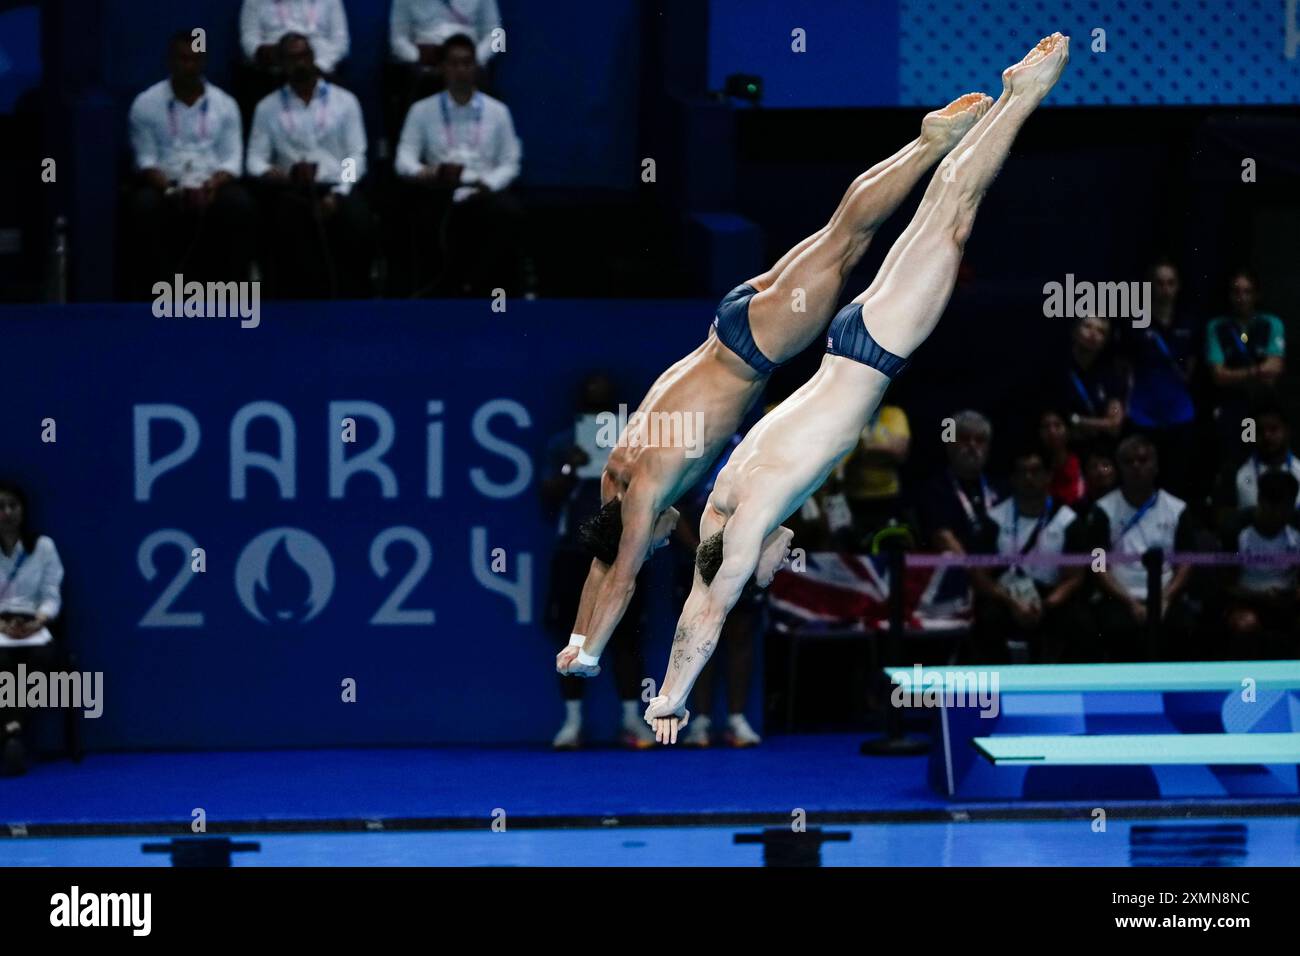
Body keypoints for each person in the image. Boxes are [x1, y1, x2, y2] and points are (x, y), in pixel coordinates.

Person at [643, 34, 1071, 741]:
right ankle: (983, 113)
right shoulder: (724, 495)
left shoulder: (743, 529)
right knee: (927, 210)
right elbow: (718, 583)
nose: (763, 567)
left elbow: (709, 611)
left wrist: (674, 696)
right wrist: (753, 564)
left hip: (873, 354)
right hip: (843, 342)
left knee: (955, 210)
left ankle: (1022, 96)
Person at [555, 90, 994, 682]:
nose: (665, 540)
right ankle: (924, 145)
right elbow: (600, 567)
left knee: (848, 243)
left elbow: (622, 575)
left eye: (656, 541)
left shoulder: (642, 499)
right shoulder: (616, 472)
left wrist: (590, 652)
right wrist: (575, 635)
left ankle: (926, 146)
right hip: (727, 322)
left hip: (755, 348)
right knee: (839, 232)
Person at [539, 375, 658, 749]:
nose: (598, 414)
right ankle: (572, 724)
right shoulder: (562, 445)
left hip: (625, 550)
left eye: (605, 408)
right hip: (575, 553)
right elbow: (547, 498)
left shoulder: (634, 447)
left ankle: (630, 721)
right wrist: (569, 468)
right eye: (592, 408)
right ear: (580, 411)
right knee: (571, 636)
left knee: (626, 637)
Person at [125, 31, 253, 297]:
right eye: (183, 59)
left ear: (203, 61)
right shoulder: (146, 104)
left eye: (195, 59)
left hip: (212, 183)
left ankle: (231, 294)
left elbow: (232, 160)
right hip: (167, 185)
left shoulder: (225, 105)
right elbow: (145, 160)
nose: (189, 66)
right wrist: (173, 189)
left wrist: (213, 184)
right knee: (144, 205)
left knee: (239, 203)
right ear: (170, 61)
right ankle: (159, 294)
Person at [394, 33, 523, 296]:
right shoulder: (422, 110)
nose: (461, 70)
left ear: (476, 67)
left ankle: (483, 291)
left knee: (508, 212)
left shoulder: (498, 111)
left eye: (467, 63)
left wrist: (488, 184)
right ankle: (435, 294)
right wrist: (425, 172)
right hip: (439, 188)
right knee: (418, 214)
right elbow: (403, 158)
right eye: (454, 63)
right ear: (442, 68)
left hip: (482, 190)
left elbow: (511, 161)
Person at [246, 33, 374, 297]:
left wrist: (340, 192)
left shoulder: (345, 101)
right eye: (292, 58)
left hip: (337, 185)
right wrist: (275, 174)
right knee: (286, 219)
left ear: (314, 58)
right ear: (281, 64)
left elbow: (356, 155)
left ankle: (355, 298)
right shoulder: (267, 107)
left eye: (304, 56)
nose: (300, 63)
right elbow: (254, 160)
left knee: (358, 220)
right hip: (291, 187)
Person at [1074, 434, 1199, 662]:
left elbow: (1186, 563)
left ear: (1156, 466)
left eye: (1143, 460)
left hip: (1166, 595)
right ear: (1120, 467)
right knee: (1114, 628)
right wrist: (1130, 603)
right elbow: (1099, 566)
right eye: (1129, 462)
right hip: (1118, 597)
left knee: (1184, 626)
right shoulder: (1102, 510)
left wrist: (1165, 599)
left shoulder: (1177, 509)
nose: (1136, 467)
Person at [974, 443, 1080, 663]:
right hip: (1006, 596)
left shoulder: (1067, 519)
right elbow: (979, 575)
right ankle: (995, 689)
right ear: (1012, 479)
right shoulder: (994, 519)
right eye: (1022, 472)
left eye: (1035, 471)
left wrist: (1047, 603)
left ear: (1049, 476)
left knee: (1081, 622)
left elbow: (1075, 576)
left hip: (1051, 597)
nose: (1029, 478)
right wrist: (1012, 604)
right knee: (987, 620)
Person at [0, 481, 65, 776]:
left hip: (33, 625)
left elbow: (52, 596)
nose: (7, 513)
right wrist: (3, 624)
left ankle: (11, 730)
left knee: (39, 659)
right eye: (0, 507)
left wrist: (36, 622)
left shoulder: (43, 547)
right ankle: (13, 730)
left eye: (13, 506)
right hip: (1, 626)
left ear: (23, 510)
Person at [1124, 259, 1198, 500]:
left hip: (1179, 415)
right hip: (1143, 415)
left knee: (1177, 483)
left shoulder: (1188, 321)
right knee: (1142, 480)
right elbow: (1124, 367)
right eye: (1159, 283)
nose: (1165, 289)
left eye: (1170, 283)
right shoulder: (1135, 321)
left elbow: (1192, 367)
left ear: (1178, 287)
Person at [1222, 470, 1300, 659]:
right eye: (1272, 507)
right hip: (1246, 600)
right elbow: (1226, 585)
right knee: (1245, 624)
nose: (1278, 515)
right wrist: (1261, 596)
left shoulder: (1297, 529)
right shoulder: (1236, 530)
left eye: (1284, 508)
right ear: (1260, 500)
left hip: (1288, 602)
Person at [1205, 269, 1285, 453]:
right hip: (1231, 407)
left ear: (1257, 295)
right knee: (1234, 459)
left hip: (1264, 406)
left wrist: (1235, 374)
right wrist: (1257, 372)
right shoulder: (1217, 326)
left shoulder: (1271, 324)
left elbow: (1274, 370)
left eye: (1247, 292)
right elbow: (1218, 375)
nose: (1242, 297)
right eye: (1236, 292)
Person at [237, 0, 350, 123]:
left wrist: (316, 67)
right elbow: (249, 41)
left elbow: (340, 43)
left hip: (320, 70)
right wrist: (275, 57)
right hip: (274, 72)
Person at [1058, 312, 1127, 446]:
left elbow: (1114, 425)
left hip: (1103, 448)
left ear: (1104, 342)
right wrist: (1099, 424)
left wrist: (1076, 420)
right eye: (1088, 326)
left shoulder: (1111, 375)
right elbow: (1056, 425)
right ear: (1075, 332)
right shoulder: (1058, 372)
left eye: (1101, 331)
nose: (1093, 333)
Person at [1038, 407, 1086, 507]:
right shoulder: (1036, 470)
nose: (1052, 431)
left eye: (1057, 425)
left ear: (1067, 431)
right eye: (1046, 427)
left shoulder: (1083, 463)